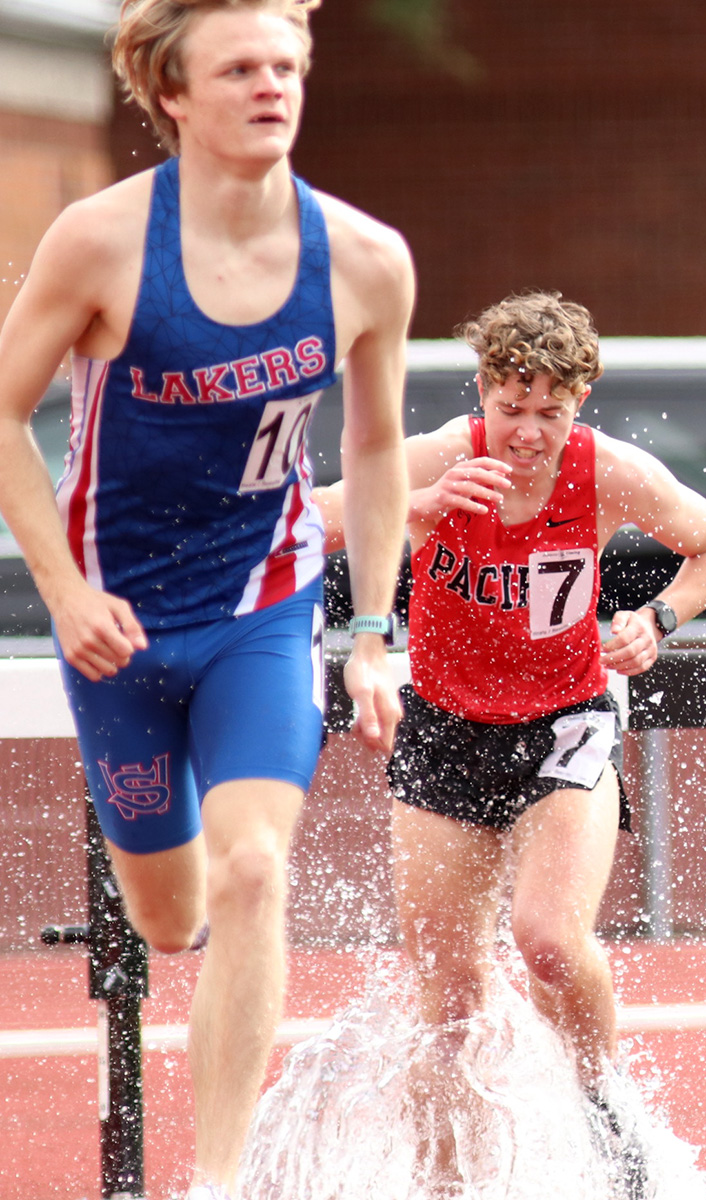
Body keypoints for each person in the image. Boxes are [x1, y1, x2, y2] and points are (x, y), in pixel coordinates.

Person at [0, 2, 412, 1194]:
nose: (271, 87)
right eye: (239, 70)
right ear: (172, 93)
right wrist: (64, 591)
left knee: (255, 871)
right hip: (117, 627)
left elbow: (376, 448)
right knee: (172, 918)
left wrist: (371, 630)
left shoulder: (365, 259)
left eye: (287, 65)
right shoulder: (102, 243)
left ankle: (218, 1181)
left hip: (262, 608)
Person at [314, 291, 706, 1193]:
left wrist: (659, 618)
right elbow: (311, 522)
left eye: (551, 412)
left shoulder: (610, 472)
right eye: (512, 408)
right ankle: (449, 1184)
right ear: (482, 392)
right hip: (445, 728)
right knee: (450, 1003)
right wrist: (417, 501)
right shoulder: (442, 454)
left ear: (580, 401)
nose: (528, 433)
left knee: (547, 939)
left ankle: (602, 1094)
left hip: (565, 726)